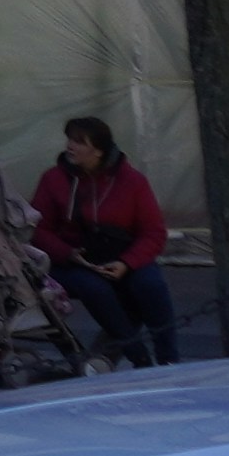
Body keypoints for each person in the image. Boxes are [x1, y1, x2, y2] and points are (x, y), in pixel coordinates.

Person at [33, 116, 179, 364]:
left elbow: (154, 233)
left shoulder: (133, 182)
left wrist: (127, 262)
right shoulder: (53, 179)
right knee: (95, 288)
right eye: (69, 139)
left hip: (122, 255)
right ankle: (140, 359)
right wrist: (68, 253)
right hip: (73, 260)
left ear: (99, 151)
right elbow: (37, 229)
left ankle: (169, 361)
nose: (70, 146)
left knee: (150, 286)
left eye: (79, 142)